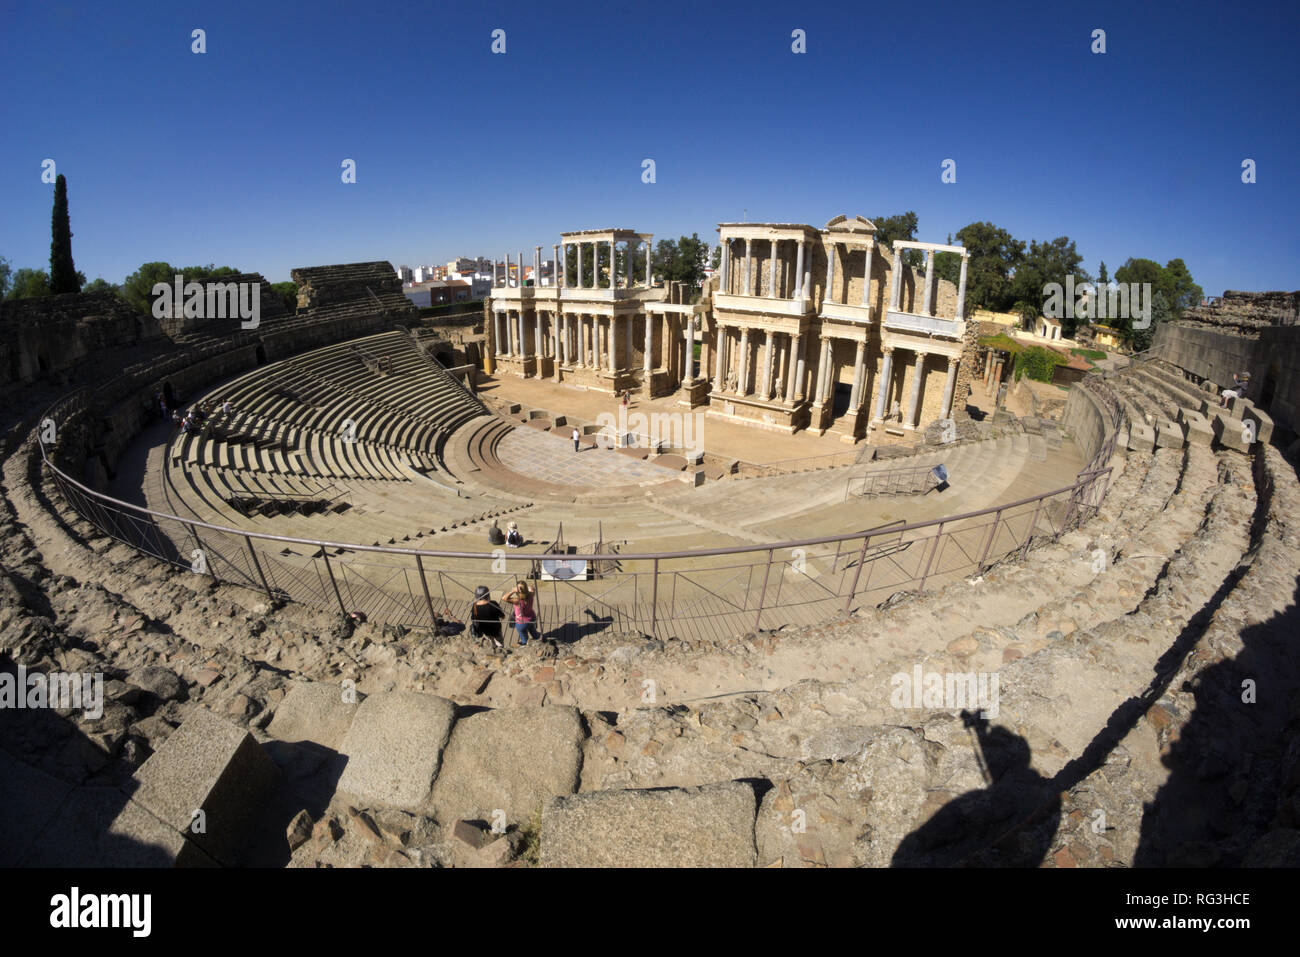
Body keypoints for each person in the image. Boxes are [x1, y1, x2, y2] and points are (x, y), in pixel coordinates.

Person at [501, 580, 540, 647]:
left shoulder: (517, 600)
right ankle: (539, 641)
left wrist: (512, 591)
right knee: (534, 632)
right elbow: (532, 588)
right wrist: (524, 588)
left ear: (517, 591)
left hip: (521, 623)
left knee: (524, 638)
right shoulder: (531, 594)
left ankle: (525, 646)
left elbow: (504, 598)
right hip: (531, 618)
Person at [469, 586, 505, 651]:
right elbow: (502, 616)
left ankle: (493, 648)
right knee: (500, 643)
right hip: (495, 629)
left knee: (490, 641)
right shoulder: (493, 604)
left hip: (484, 630)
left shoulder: (474, 606)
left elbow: (473, 618)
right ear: (487, 595)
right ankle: (500, 650)